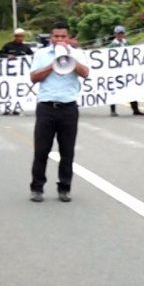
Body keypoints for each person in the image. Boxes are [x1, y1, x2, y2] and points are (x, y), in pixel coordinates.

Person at [29, 22, 90, 202]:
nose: (60, 39)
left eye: (63, 37)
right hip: (46, 107)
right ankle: (37, 188)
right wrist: (53, 64)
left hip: (69, 107)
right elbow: (33, 77)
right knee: (41, 150)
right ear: (51, 38)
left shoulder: (77, 54)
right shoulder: (41, 54)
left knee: (67, 151)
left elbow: (86, 73)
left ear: (68, 38)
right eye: (56, 36)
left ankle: (64, 188)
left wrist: (69, 58)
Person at [108, 25, 144, 117]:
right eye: (118, 33)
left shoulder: (128, 43)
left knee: (132, 90)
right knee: (114, 90)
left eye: (122, 33)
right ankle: (113, 110)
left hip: (128, 71)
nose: (120, 35)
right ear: (115, 34)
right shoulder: (111, 46)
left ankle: (135, 109)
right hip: (116, 71)